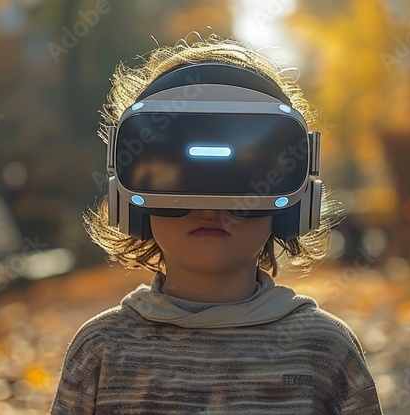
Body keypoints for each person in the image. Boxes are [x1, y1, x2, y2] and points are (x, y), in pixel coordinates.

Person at [50, 33, 384, 414]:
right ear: (129, 196)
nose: (210, 205)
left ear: (294, 202)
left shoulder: (325, 350)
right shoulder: (101, 348)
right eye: (178, 175)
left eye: (244, 174)